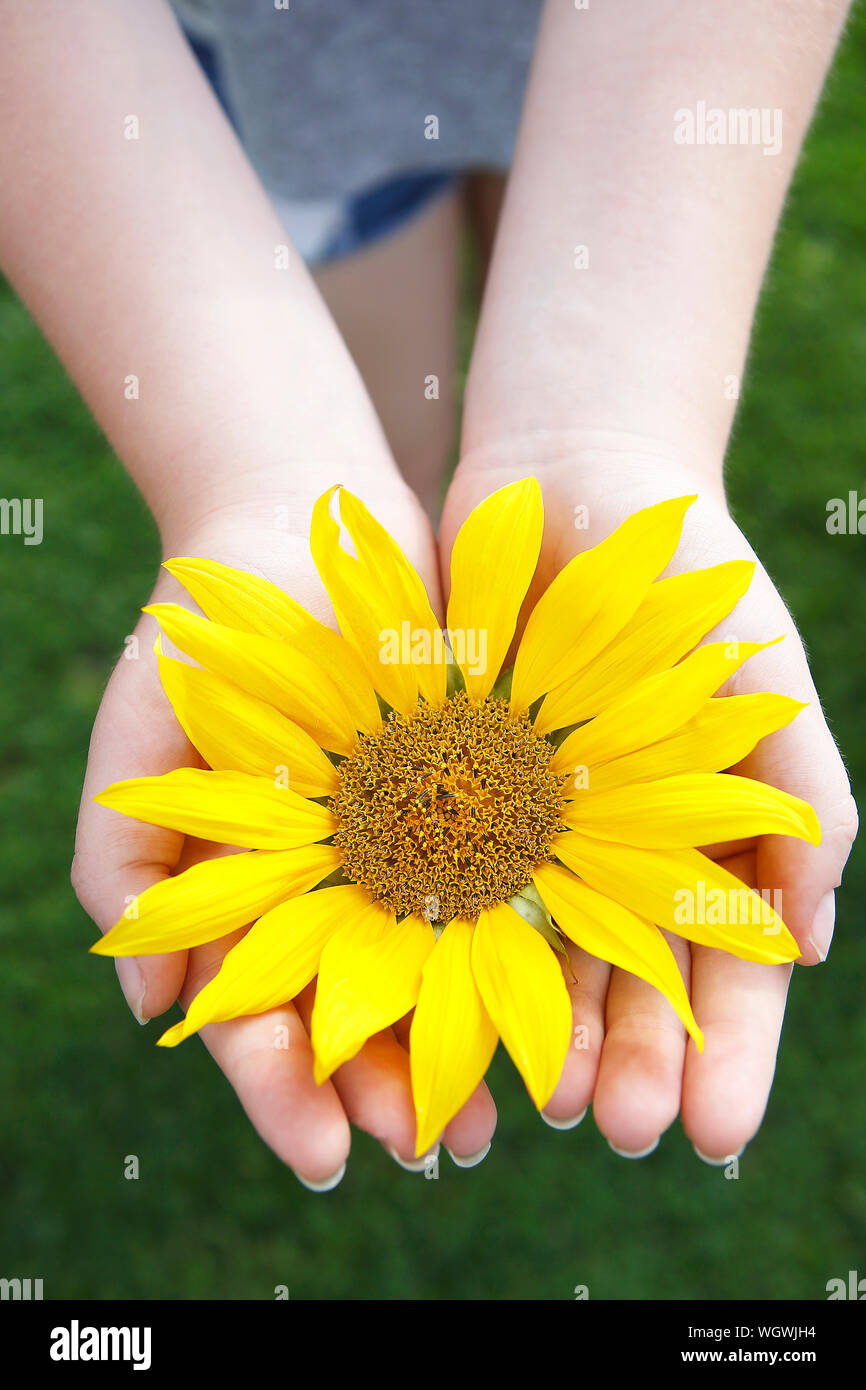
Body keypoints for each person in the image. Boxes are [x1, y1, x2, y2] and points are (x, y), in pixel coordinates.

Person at [0, 0, 856, 1190]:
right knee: (374, 374)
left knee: (533, 246)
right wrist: (261, 475)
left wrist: (610, 416)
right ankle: (403, 504)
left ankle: (423, 503)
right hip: (284, 56)